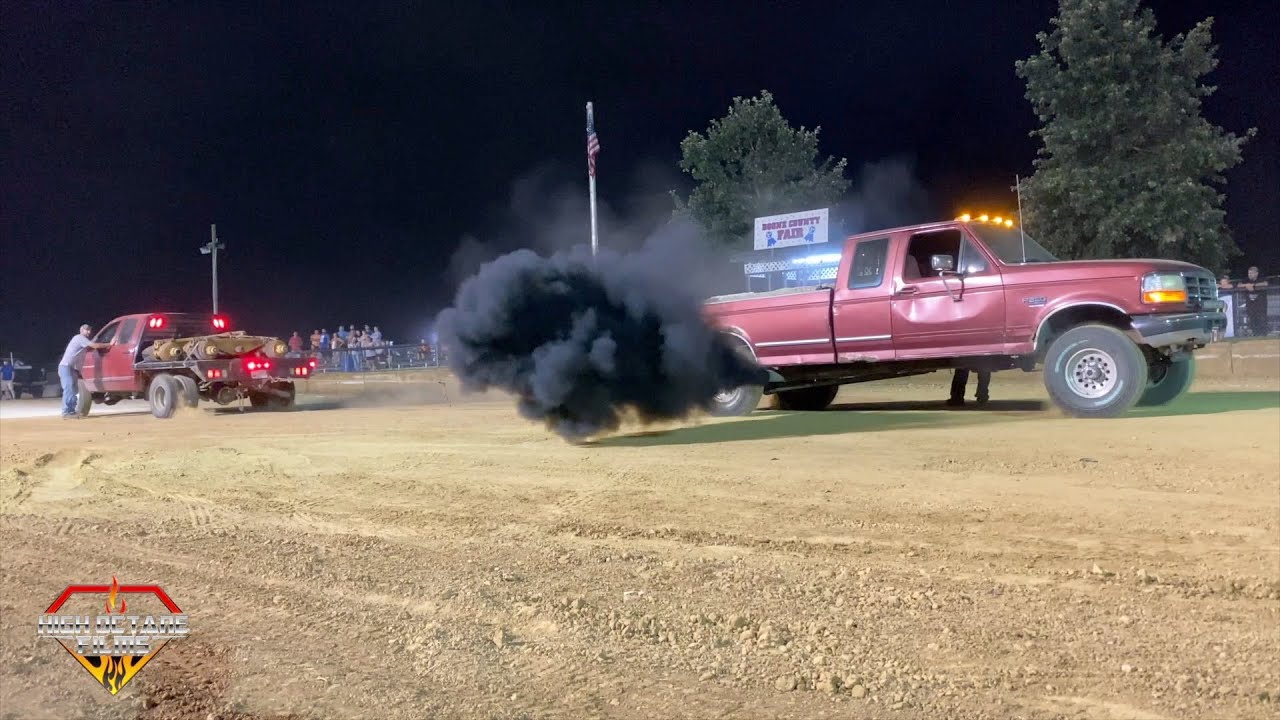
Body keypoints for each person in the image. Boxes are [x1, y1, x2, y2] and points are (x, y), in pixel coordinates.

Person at [58, 324, 115, 419]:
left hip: (73, 368)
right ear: (81, 330)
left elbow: (92, 346)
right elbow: (94, 345)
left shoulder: (84, 341)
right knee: (69, 388)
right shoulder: (79, 338)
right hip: (66, 367)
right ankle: (66, 412)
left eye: (89, 330)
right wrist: (110, 344)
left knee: (74, 390)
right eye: (86, 330)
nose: (89, 332)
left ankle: (71, 411)